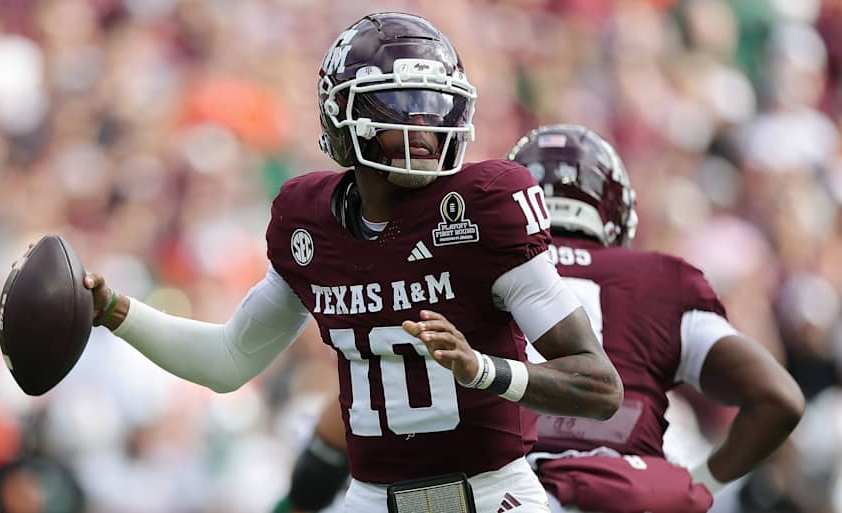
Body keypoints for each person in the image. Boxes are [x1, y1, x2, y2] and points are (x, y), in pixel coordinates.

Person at [82, 14, 622, 513]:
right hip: (370, 500)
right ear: (344, 115)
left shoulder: (481, 209)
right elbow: (228, 361)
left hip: (491, 496)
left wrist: (482, 369)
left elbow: (599, 386)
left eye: (437, 106)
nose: (426, 127)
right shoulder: (309, 224)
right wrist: (115, 311)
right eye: (405, 104)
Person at [271, 125, 806, 513]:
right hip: (623, 491)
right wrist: (699, 486)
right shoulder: (662, 279)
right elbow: (779, 398)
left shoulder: (458, 266)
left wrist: (296, 500)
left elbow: (355, 418)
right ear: (615, 211)